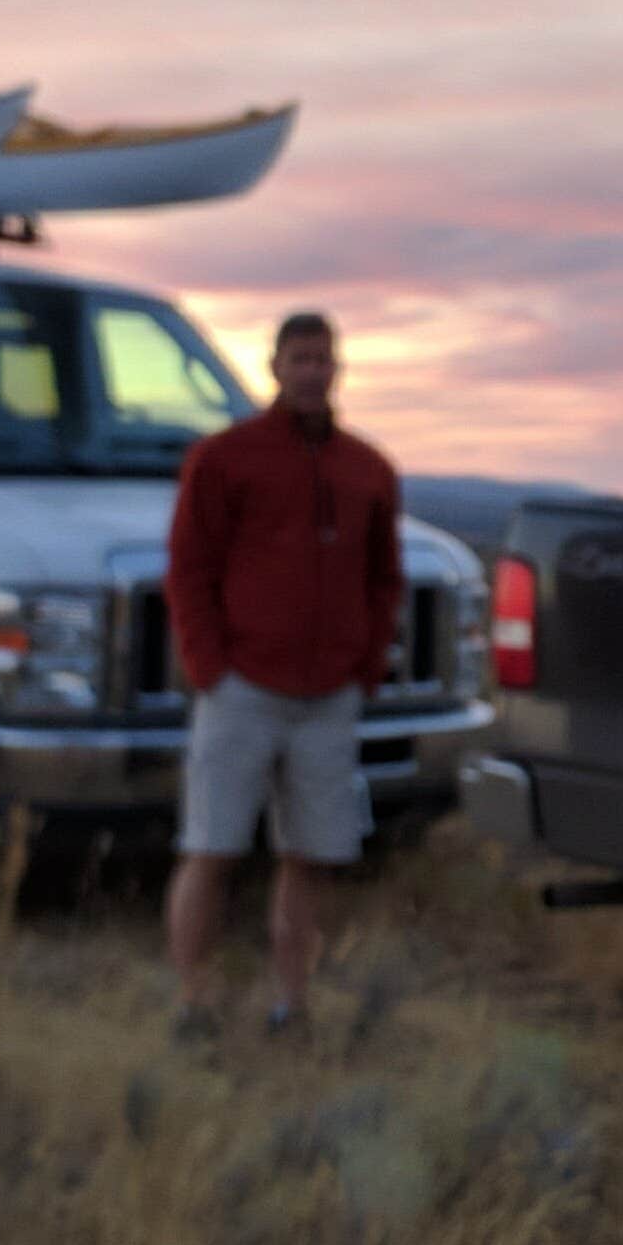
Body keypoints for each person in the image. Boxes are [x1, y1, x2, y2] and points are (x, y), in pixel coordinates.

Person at [163, 310, 404, 1033]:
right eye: (299, 359)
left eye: (323, 359)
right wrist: (208, 665)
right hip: (242, 687)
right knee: (212, 849)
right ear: (274, 367)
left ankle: (291, 1006)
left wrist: (366, 665)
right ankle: (194, 1003)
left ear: (338, 368)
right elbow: (189, 568)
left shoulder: (368, 470)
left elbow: (382, 579)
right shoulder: (225, 458)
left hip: (328, 697)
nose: (312, 371)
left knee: (310, 857)